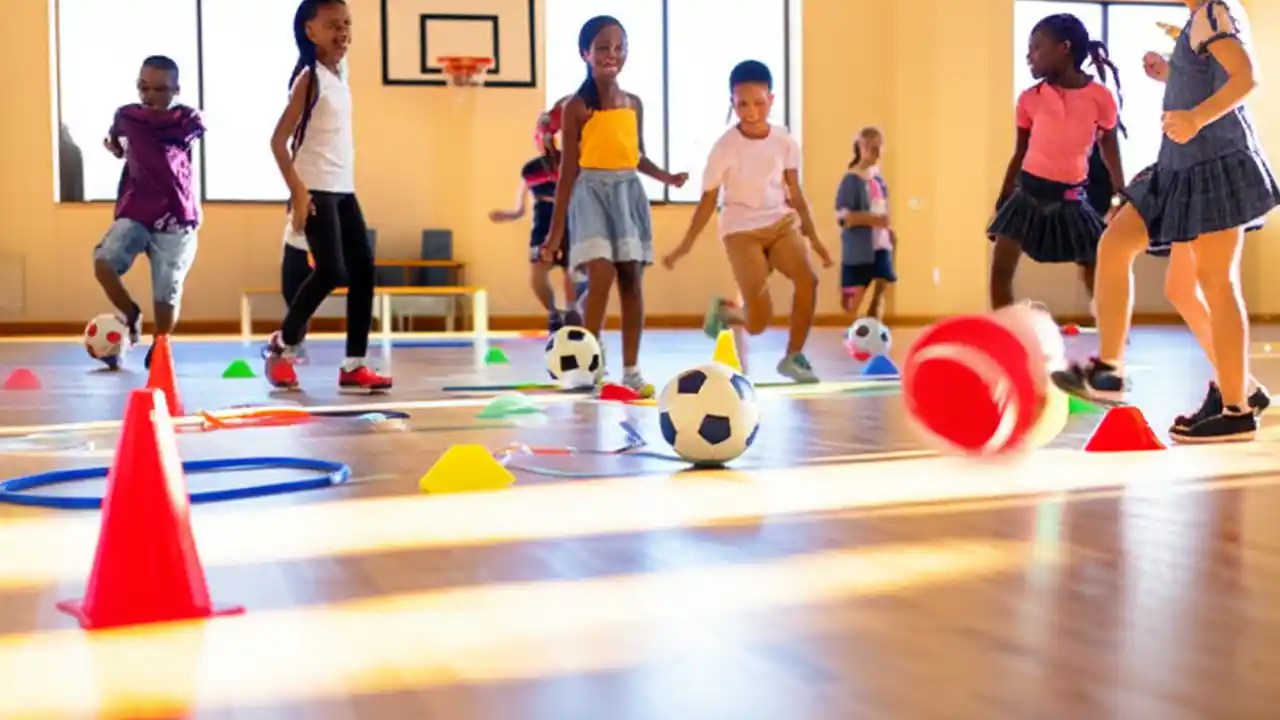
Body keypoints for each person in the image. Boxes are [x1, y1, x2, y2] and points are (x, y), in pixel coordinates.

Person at [1055, 1, 1279, 443]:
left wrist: (1195, 117)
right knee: (1126, 251)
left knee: (1216, 279)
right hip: (1177, 167)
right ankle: (1111, 370)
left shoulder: (1216, 11)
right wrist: (1170, 73)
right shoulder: (1201, 18)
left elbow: (1246, 77)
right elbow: (1209, 75)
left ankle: (1237, 407)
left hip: (1213, 165)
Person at [540, 15, 688, 396]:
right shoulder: (576, 107)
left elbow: (636, 156)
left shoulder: (633, 104)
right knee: (601, 272)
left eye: (619, 47)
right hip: (591, 194)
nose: (612, 54)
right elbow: (568, 169)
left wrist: (667, 178)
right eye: (602, 47)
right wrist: (555, 234)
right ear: (585, 54)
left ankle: (632, 369)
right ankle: (591, 357)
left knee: (631, 280)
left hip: (627, 194)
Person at [663, 60, 831, 383]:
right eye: (742, 104)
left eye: (758, 102)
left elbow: (795, 193)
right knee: (758, 321)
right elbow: (708, 201)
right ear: (732, 103)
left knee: (808, 280)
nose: (751, 111)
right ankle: (728, 312)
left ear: (771, 99)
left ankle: (794, 356)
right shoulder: (724, 148)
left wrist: (817, 241)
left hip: (780, 224)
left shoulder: (784, 142)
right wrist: (683, 247)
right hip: (741, 231)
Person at [264, 0, 392, 393]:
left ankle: (354, 366)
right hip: (316, 188)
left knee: (364, 272)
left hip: (343, 189)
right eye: (333, 25)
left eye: (347, 24)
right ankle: (282, 347)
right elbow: (278, 142)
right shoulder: (310, 78)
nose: (343, 32)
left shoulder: (340, 72)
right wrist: (299, 194)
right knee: (332, 271)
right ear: (310, 31)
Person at [988, 13, 1126, 311]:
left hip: (1071, 198)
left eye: (1037, 47)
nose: (1029, 56)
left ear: (1064, 48)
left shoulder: (1099, 98)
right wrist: (1003, 198)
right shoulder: (1029, 99)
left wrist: (1121, 191)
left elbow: (1109, 143)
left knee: (1095, 265)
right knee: (1000, 271)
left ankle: (1112, 336)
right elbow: (1020, 151)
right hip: (1027, 195)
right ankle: (1006, 329)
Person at [94, 55, 205, 370]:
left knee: (166, 295)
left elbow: (192, 130)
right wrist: (117, 149)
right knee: (103, 262)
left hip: (176, 218)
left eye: (159, 89)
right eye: (144, 87)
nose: (150, 96)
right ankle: (131, 315)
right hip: (138, 209)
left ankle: (160, 344)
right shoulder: (127, 116)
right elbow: (116, 138)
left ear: (175, 90)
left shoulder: (186, 119)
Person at [489, 103, 585, 332]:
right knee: (537, 275)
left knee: (572, 273)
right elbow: (520, 208)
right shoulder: (531, 169)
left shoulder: (575, 162)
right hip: (543, 226)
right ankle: (554, 313)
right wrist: (507, 215)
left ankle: (573, 315)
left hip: (573, 223)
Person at [837, 127, 896, 322]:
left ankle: (874, 316)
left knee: (883, 277)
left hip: (880, 243)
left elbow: (882, 207)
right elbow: (844, 216)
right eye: (872, 148)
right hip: (859, 247)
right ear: (861, 148)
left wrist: (888, 231)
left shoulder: (879, 180)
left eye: (879, 148)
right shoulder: (851, 180)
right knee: (855, 293)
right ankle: (852, 329)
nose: (876, 153)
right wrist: (871, 220)